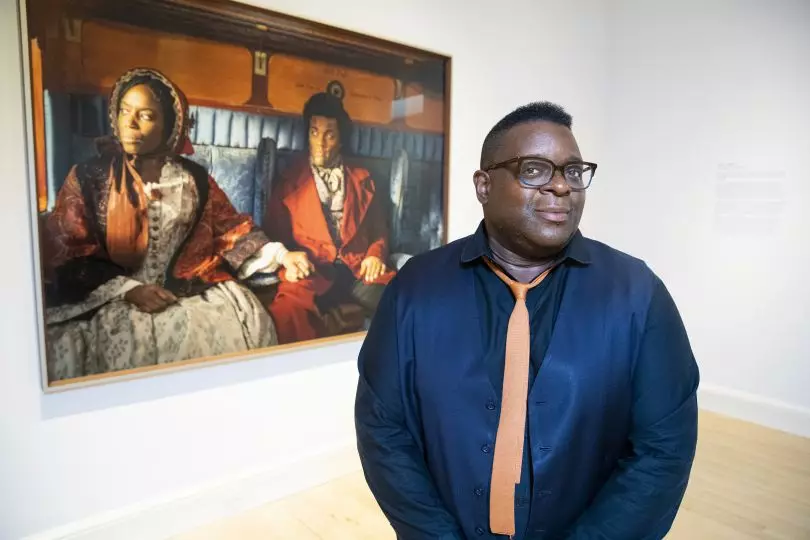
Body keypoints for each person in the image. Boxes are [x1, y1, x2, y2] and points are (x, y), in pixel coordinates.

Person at [355, 102, 699, 539]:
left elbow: (663, 449)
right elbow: (383, 430)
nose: (561, 187)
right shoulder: (416, 288)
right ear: (484, 185)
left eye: (573, 172)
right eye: (534, 170)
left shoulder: (637, 293)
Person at [43, 67, 311, 381]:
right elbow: (70, 253)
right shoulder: (89, 177)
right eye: (124, 111)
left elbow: (230, 229)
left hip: (184, 293)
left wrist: (282, 256)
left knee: (239, 323)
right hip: (110, 299)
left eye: (145, 115)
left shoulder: (194, 180)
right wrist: (129, 290)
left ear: (169, 124)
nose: (129, 123)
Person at [263, 92, 395, 344]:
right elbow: (273, 238)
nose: (320, 142)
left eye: (330, 135)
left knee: (404, 301)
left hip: (357, 270)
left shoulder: (362, 177)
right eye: (314, 132)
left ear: (341, 139)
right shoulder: (288, 180)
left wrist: (374, 254)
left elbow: (379, 229)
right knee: (287, 312)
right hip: (312, 271)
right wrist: (286, 265)